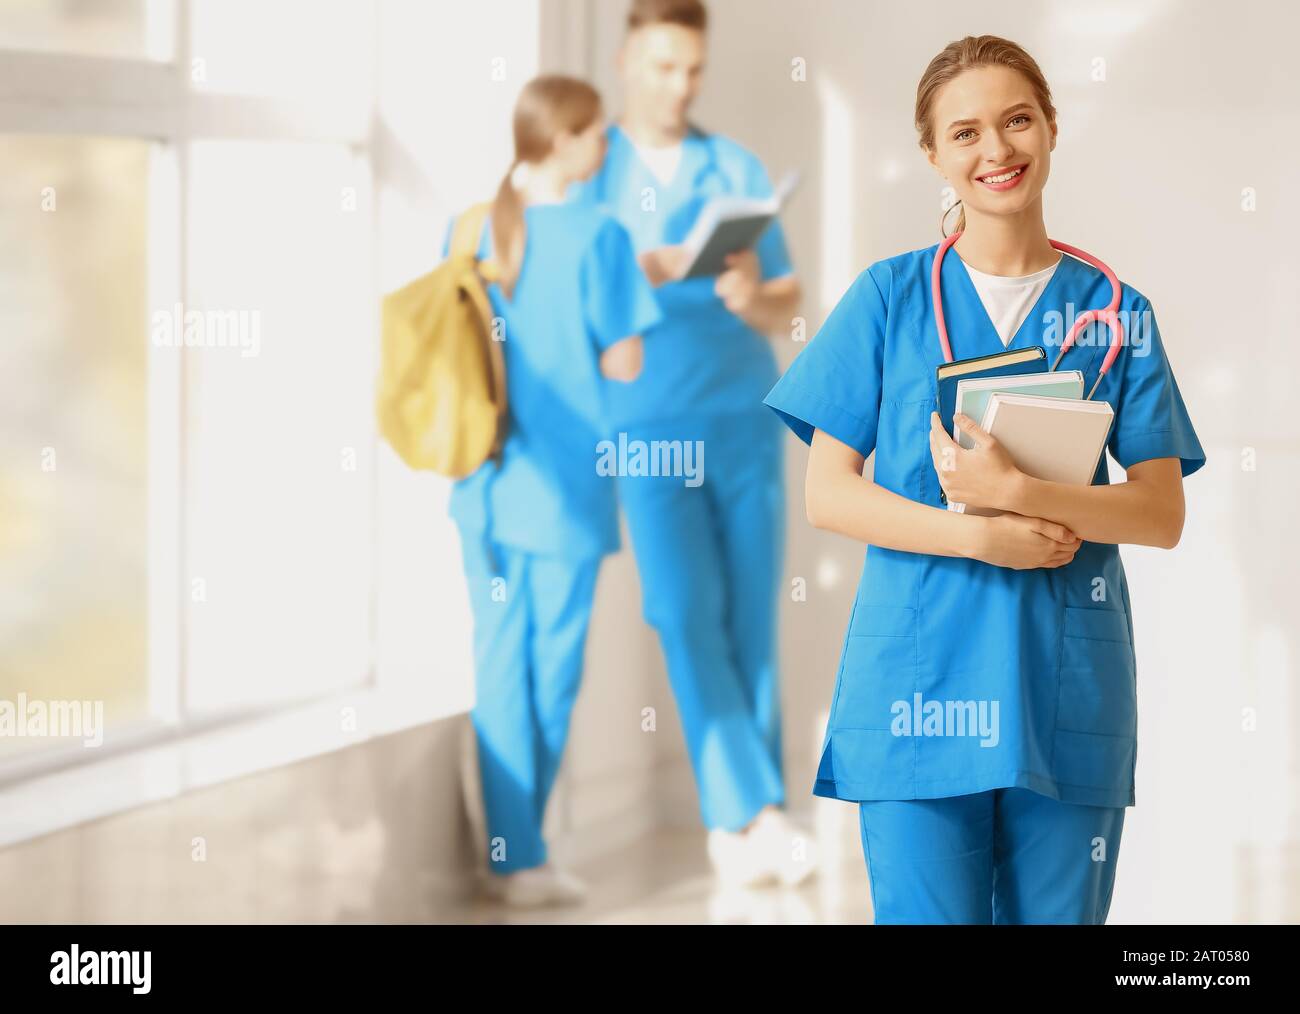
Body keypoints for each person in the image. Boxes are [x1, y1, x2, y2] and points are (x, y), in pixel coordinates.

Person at [763, 35, 1205, 923]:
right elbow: (828, 493)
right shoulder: (887, 299)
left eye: (1015, 121)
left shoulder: (1117, 314)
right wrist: (977, 533)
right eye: (964, 133)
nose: (995, 151)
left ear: (1050, 127)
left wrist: (1020, 493)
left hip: (1064, 690)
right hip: (916, 693)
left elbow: (1159, 514)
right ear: (931, 154)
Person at [569, 0, 812, 887]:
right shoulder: (592, 172)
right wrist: (651, 270)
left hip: (744, 416)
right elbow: (564, 296)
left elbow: (788, 300)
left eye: (694, 69)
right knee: (680, 609)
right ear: (628, 58)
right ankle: (740, 809)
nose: (681, 85)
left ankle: (763, 816)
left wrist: (755, 296)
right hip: (642, 425)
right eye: (665, 66)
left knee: (749, 613)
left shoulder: (733, 166)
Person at [443, 75, 662, 907]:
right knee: (552, 669)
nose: (605, 147)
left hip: (481, 477)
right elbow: (625, 364)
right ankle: (519, 857)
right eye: (597, 133)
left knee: (498, 659)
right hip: (567, 483)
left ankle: (513, 852)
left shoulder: (466, 229)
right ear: (564, 140)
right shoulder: (599, 236)